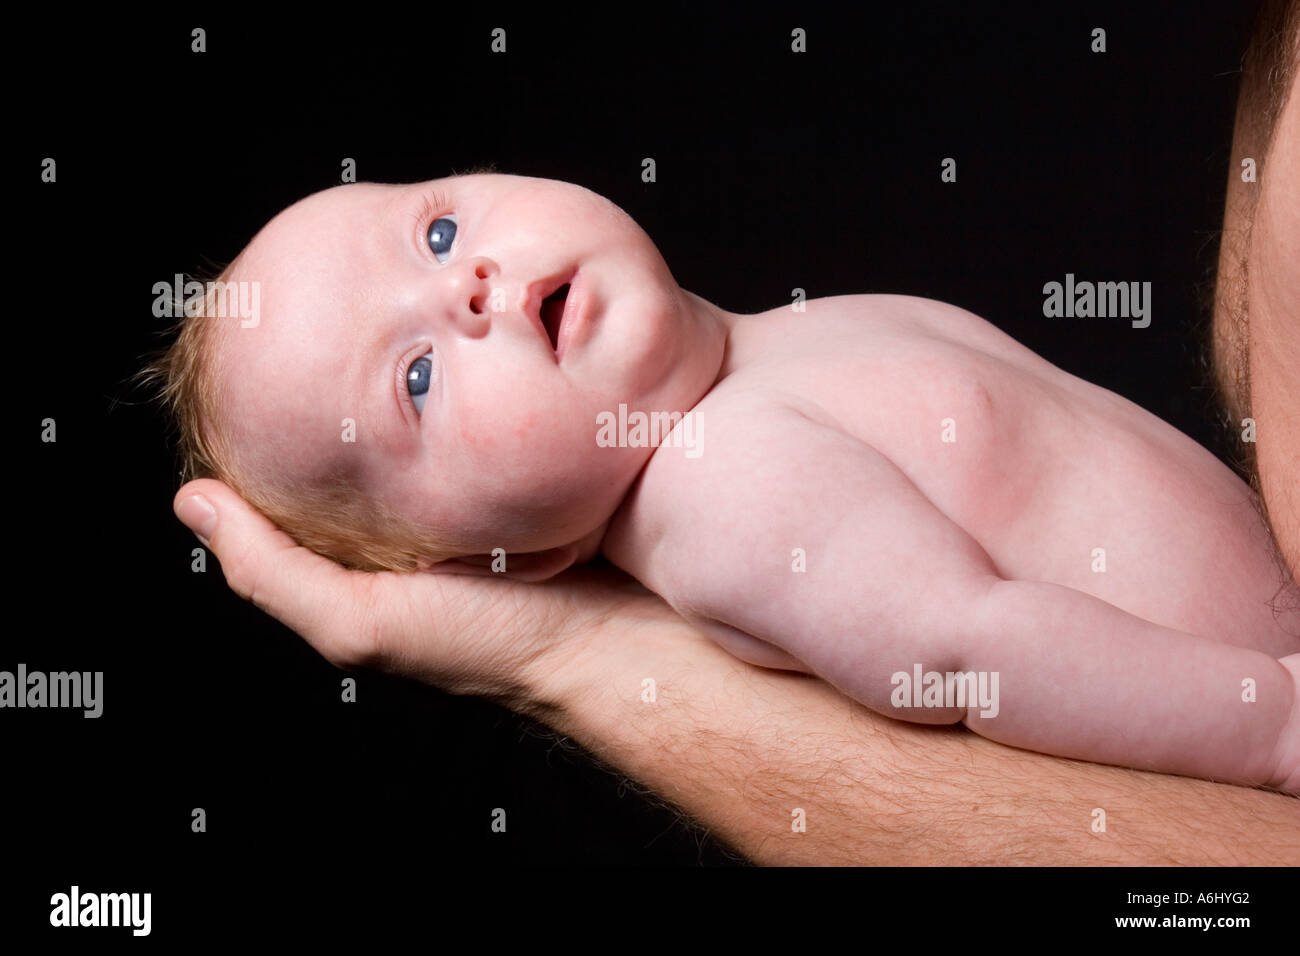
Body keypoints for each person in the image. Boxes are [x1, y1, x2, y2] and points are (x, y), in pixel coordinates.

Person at [168, 2, 1300, 862]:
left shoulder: (768, 348)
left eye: (437, 227)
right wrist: (1272, 729)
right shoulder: (720, 485)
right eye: (417, 378)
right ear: (497, 558)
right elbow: (968, 653)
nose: (467, 286)